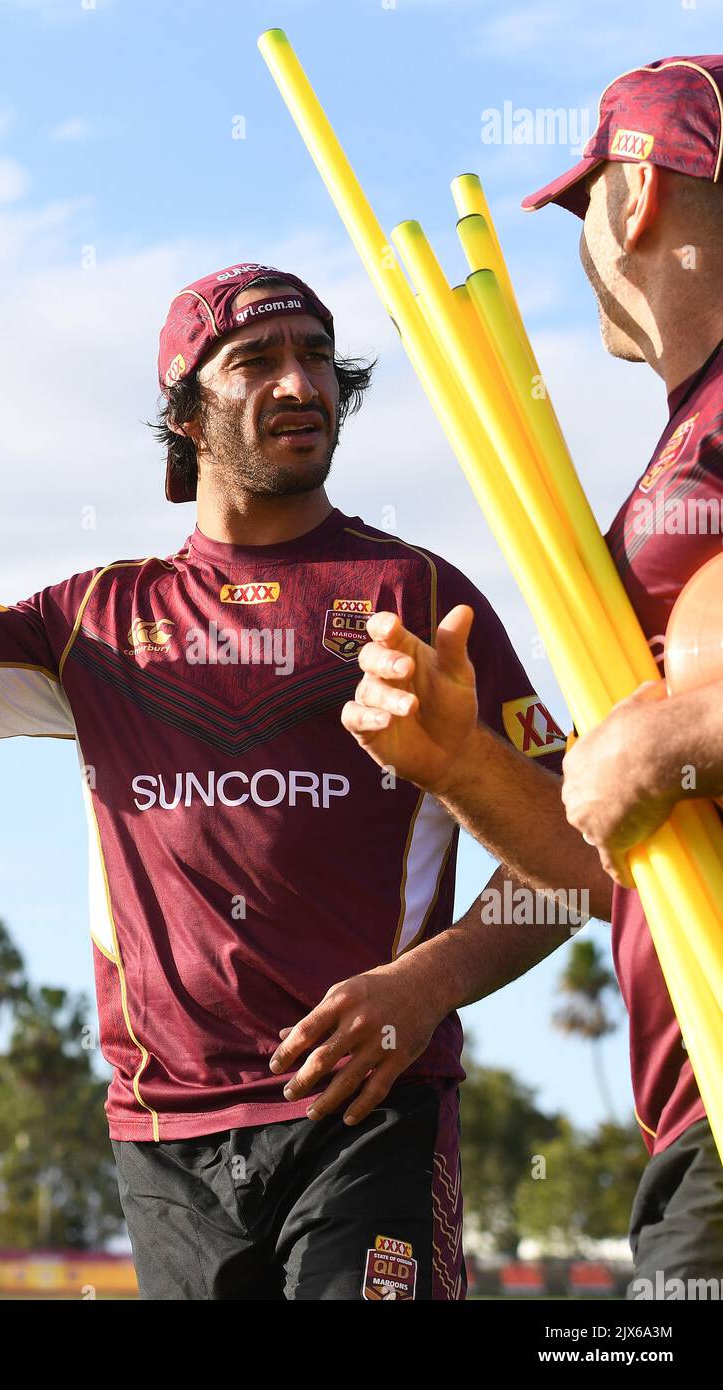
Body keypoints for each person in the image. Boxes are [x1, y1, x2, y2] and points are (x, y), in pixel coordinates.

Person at [0, 263, 607, 1300]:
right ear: (184, 410)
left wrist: (429, 982)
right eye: (256, 360)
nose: (300, 383)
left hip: (370, 1113)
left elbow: (574, 854)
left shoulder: (415, 598)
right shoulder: (93, 618)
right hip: (165, 1137)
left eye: (317, 356)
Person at [343, 55, 723, 1295]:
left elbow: (667, 750)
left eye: (577, 214)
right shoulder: (684, 450)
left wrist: (671, 735)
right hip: (691, 1117)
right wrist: (459, 765)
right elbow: (602, 865)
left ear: (634, 198)